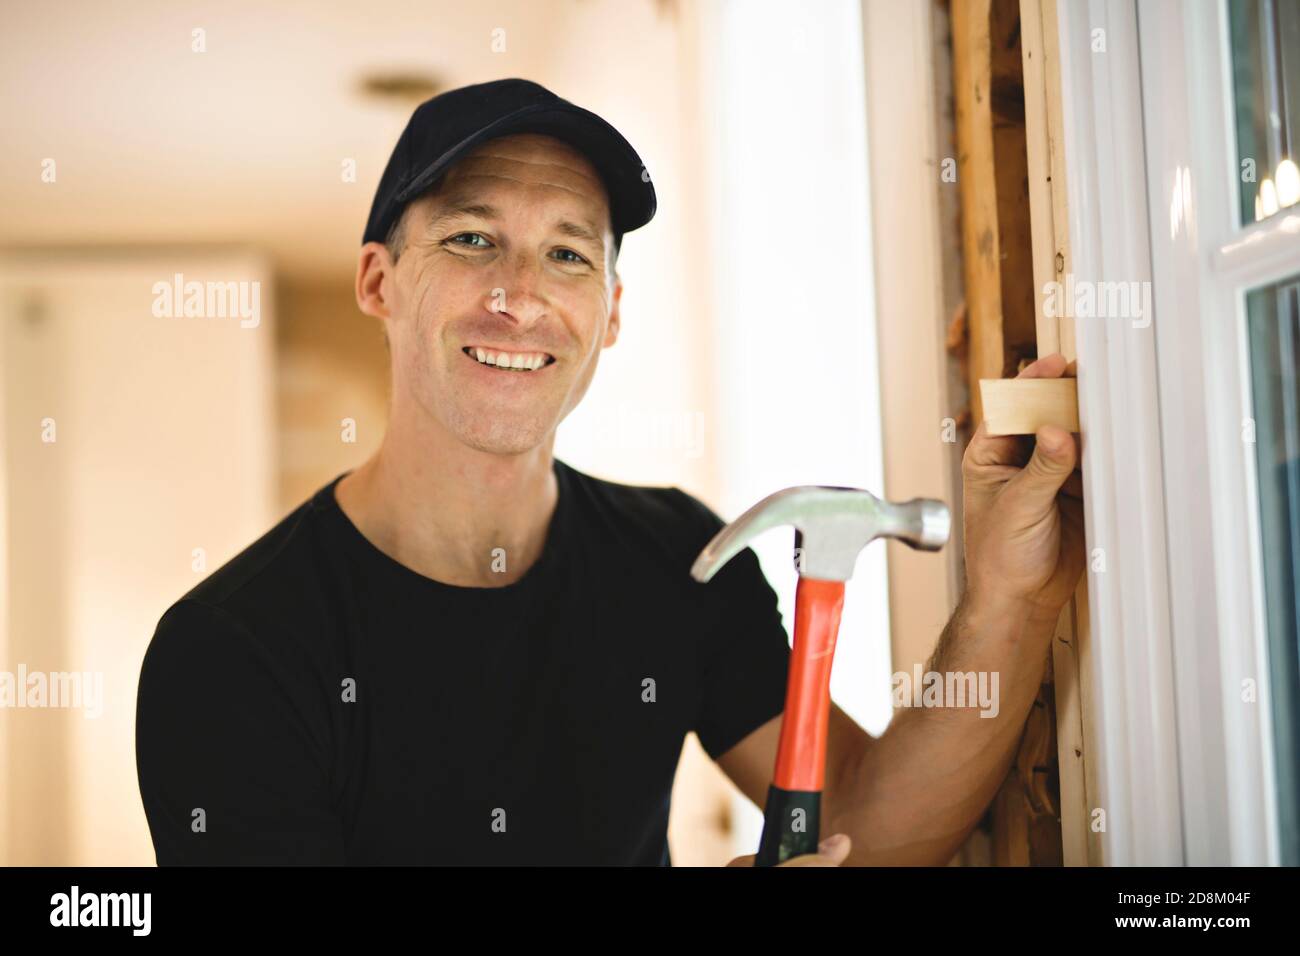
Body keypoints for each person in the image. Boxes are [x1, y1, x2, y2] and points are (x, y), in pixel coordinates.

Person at [135, 78, 1083, 866]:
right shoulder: (232, 653)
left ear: (612, 312)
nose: (520, 296)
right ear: (379, 281)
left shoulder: (676, 558)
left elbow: (867, 830)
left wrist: (1011, 593)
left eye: (568, 254)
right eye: (472, 239)